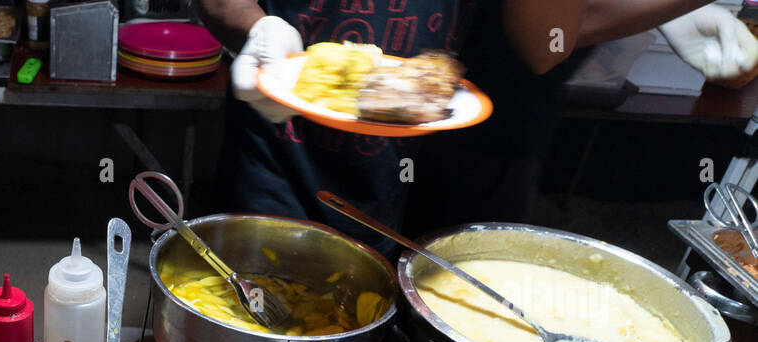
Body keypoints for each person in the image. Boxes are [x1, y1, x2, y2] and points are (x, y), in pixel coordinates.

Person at [200, 0, 755, 245]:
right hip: (285, 149)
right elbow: (222, 2)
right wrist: (257, 30)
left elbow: (544, 36)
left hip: (460, 164)